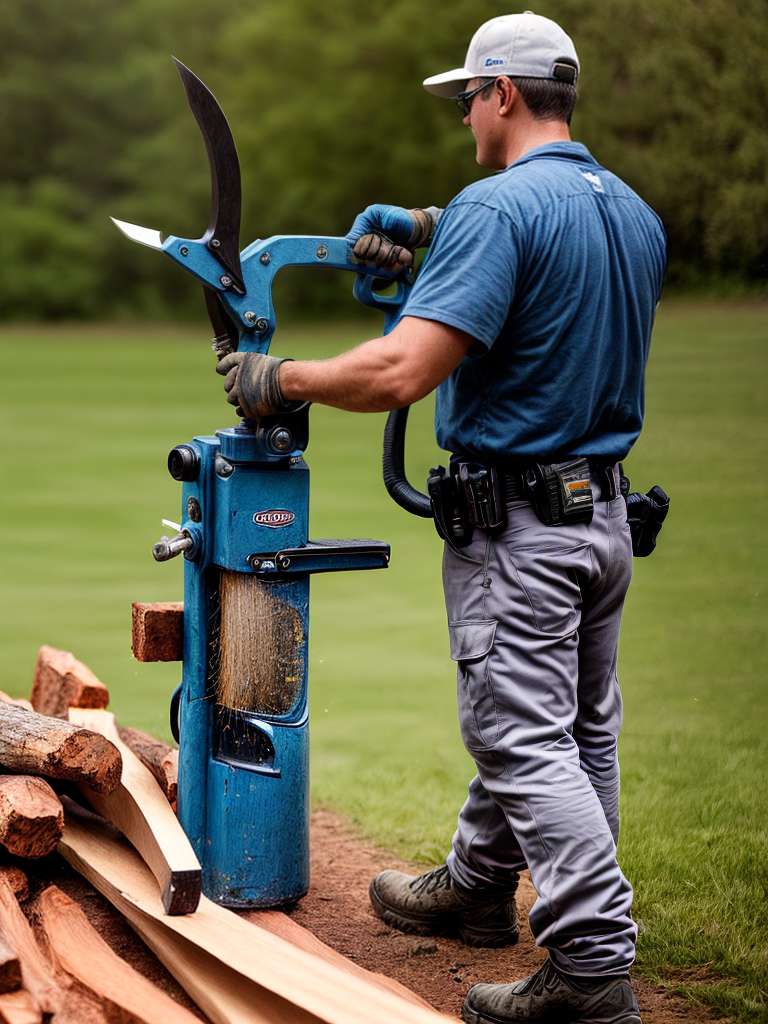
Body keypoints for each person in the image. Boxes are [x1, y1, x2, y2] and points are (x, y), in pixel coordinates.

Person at [217, 12, 666, 1023]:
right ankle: (473, 888)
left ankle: (592, 969)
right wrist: (431, 228)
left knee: (521, 734)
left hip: (521, 531)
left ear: (503, 93)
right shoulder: (630, 210)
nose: (464, 115)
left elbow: (400, 370)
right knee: (575, 732)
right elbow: (550, 269)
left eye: (467, 96)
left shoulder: (497, 210)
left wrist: (277, 377)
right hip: (600, 518)